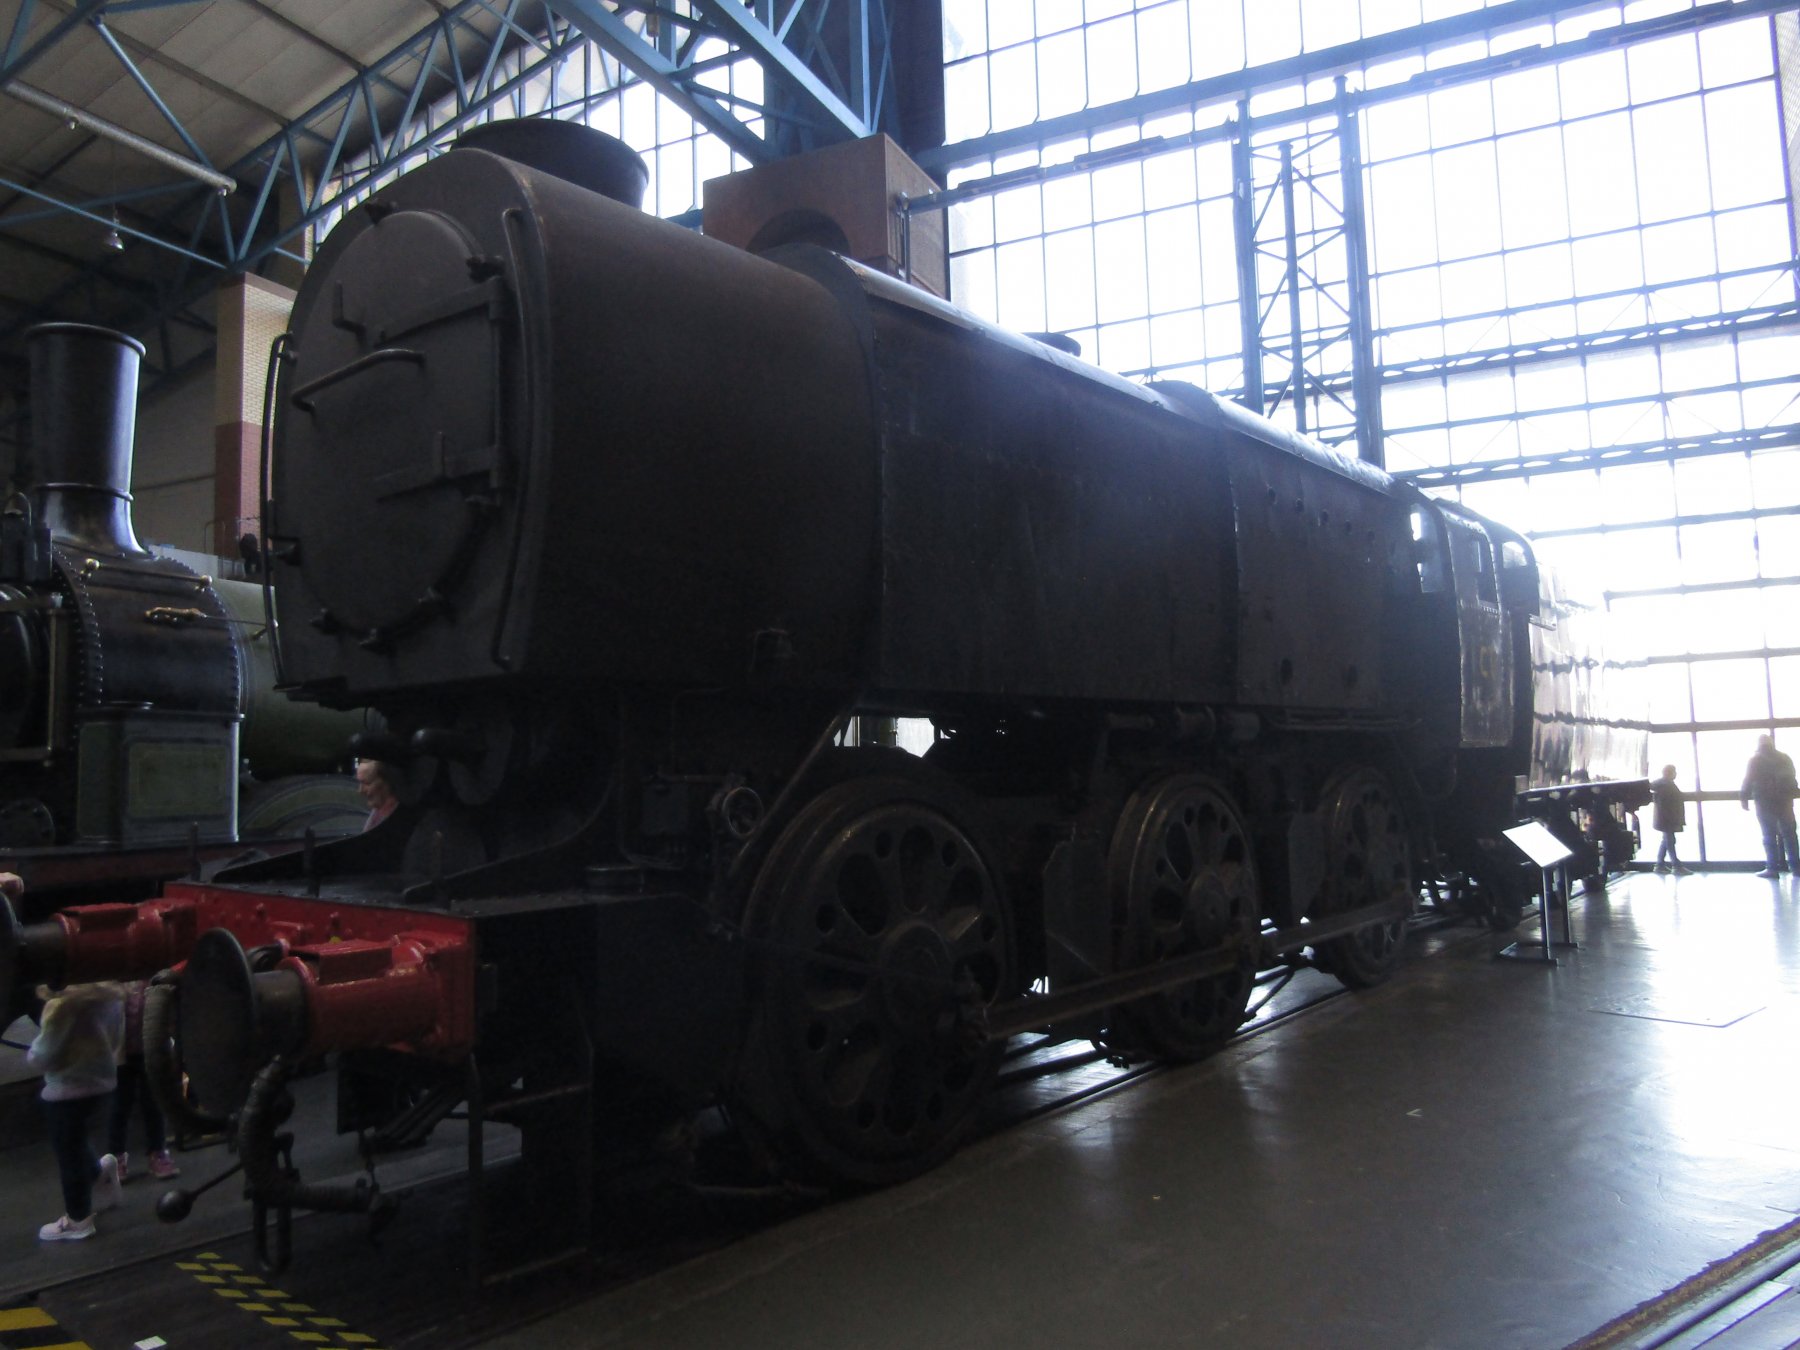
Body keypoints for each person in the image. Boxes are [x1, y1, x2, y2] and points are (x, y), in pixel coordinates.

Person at [29, 980, 125, 1240]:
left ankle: (78, 1220)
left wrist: (32, 1053)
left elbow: (43, 1055)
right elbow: (116, 1040)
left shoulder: (62, 1005)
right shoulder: (111, 996)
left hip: (66, 1090)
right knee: (76, 1139)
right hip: (101, 1083)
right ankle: (99, 1174)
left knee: (69, 1155)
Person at [105, 980, 179, 1183]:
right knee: (119, 1106)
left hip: (152, 1051)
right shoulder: (113, 983)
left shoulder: (156, 981)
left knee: (154, 1103)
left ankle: (158, 1152)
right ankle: (116, 1156)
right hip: (120, 1055)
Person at [1741, 734, 1800, 879]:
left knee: (1769, 835)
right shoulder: (1784, 758)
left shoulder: (1755, 760)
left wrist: (1744, 798)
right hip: (1785, 801)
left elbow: (1748, 779)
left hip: (1764, 802)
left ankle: (1772, 868)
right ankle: (1796, 868)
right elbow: (1792, 777)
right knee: (1790, 835)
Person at [1650, 766, 1690, 875]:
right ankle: (1676, 865)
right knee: (1670, 842)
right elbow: (1670, 804)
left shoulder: (1662, 785)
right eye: (1674, 772)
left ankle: (1660, 864)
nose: (1676, 774)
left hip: (1664, 819)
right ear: (1669, 773)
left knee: (1667, 841)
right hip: (1668, 819)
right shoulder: (1667, 786)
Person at [356, 758, 396, 831]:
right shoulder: (378, 812)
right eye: (360, 783)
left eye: (367, 783)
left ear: (386, 782)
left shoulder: (402, 818)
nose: (360, 791)